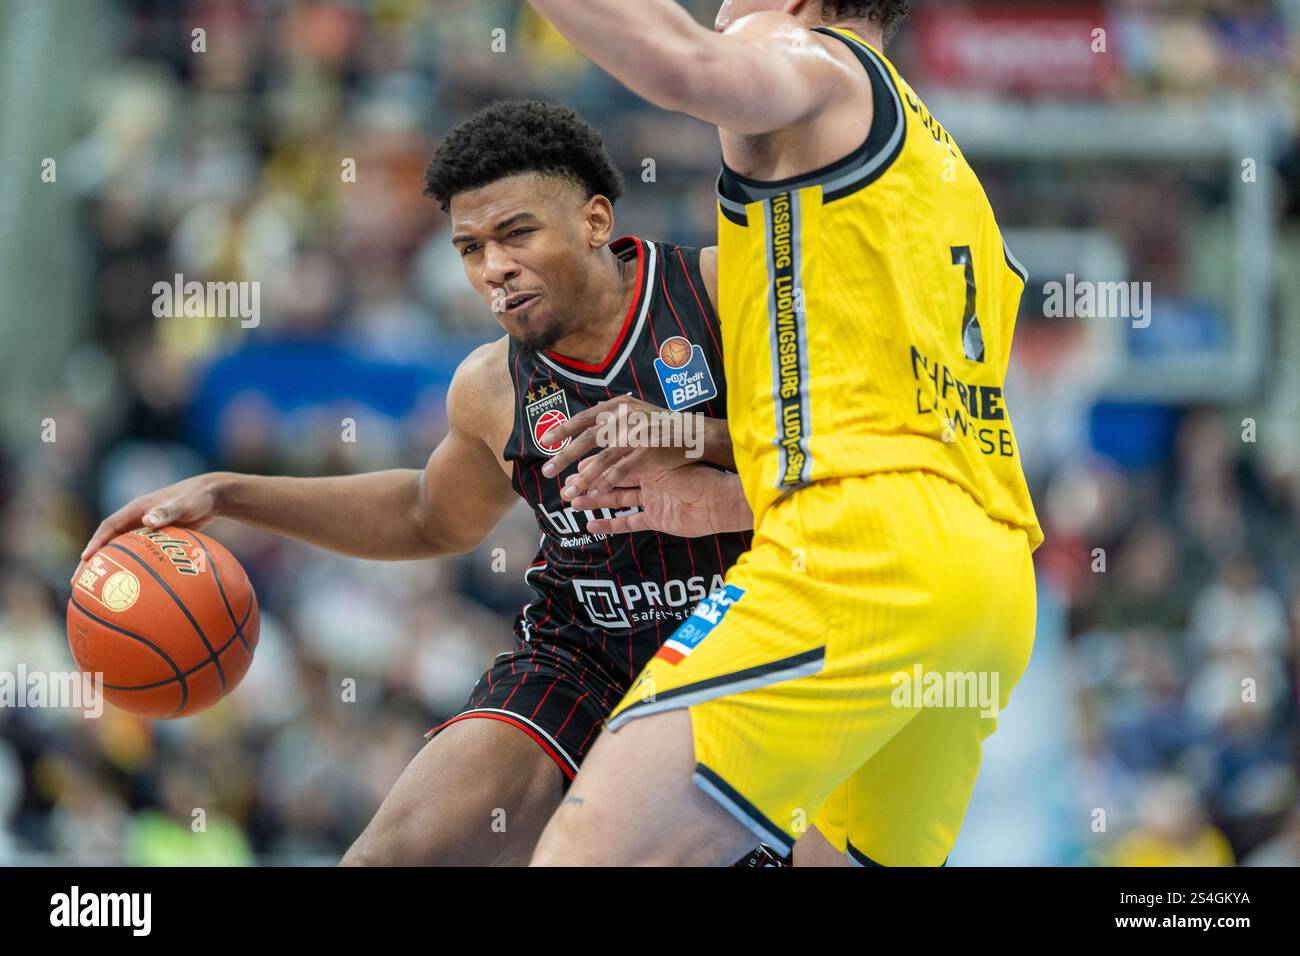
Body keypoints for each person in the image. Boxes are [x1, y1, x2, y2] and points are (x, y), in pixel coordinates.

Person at [71, 100, 772, 866]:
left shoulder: (719, 291)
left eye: (516, 234)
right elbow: (425, 516)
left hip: (758, 646)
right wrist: (232, 492)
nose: (492, 269)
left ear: (595, 220)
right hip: (585, 656)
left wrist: (688, 435)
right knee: (384, 859)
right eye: (469, 248)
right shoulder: (489, 388)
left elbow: (870, 451)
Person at [524, 0, 1045, 866]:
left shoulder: (814, 60)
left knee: (586, 850)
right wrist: (731, 488)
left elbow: (683, 65)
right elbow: (896, 425)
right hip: (987, 584)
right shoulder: (944, 167)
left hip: (863, 556)